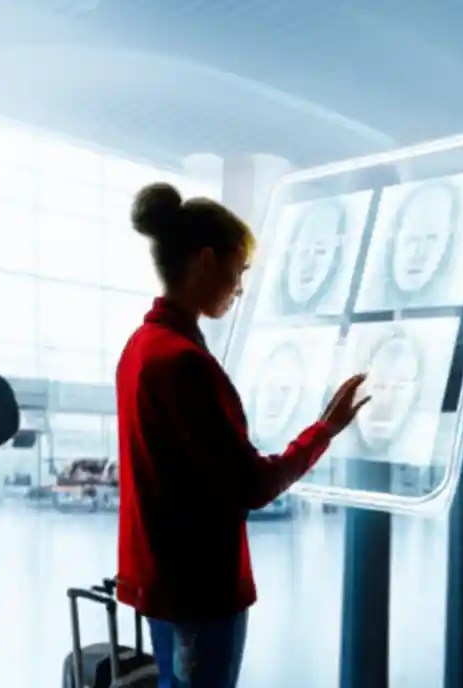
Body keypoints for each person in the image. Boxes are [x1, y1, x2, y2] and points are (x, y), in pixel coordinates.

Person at [116, 182, 370, 688]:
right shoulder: (183, 361)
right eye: (240, 270)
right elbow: (251, 485)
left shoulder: (141, 347)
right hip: (200, 586)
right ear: (207, 261)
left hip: (158, 577)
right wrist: (324, 430)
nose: (239, 287)